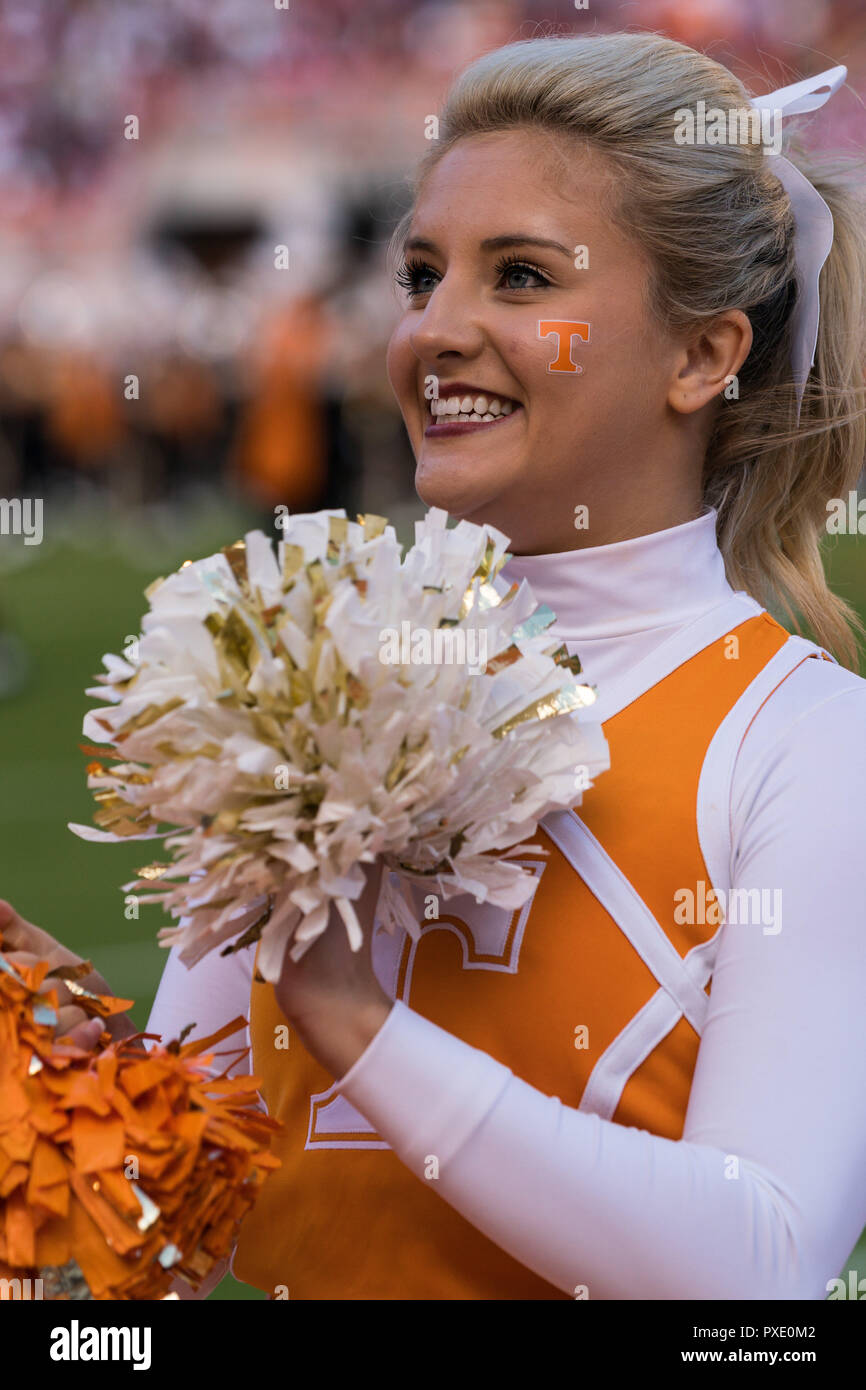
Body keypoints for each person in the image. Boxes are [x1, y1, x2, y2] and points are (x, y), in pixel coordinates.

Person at [5, 32, 866, 1300]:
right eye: (420, 274)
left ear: (700, 356)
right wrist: (59, 1082)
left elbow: (757, 1275)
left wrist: (354, 1022)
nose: (433, 331)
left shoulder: (802, 740)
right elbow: (187, 1214)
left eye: (519, 276)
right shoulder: (294, 681)